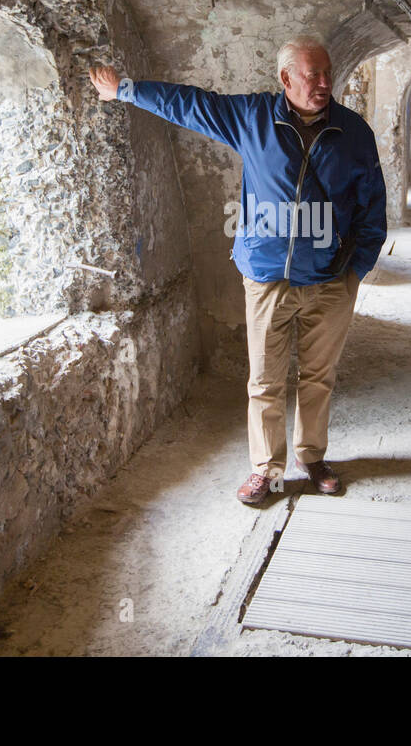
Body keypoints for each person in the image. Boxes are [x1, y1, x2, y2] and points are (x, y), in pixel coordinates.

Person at [88, 37, 387, 506]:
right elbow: (189, 105)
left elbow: (373, 206)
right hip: (267, 276)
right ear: (286, 79)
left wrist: (355, 271)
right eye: (313, 75)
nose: (325, 83)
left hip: (330, 280)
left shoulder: (354, 133)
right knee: (265, 381)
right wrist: (124, 90)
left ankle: (312, 459)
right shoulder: (253, 118)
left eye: (328, 73)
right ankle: (267, 469)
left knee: (318, 377)